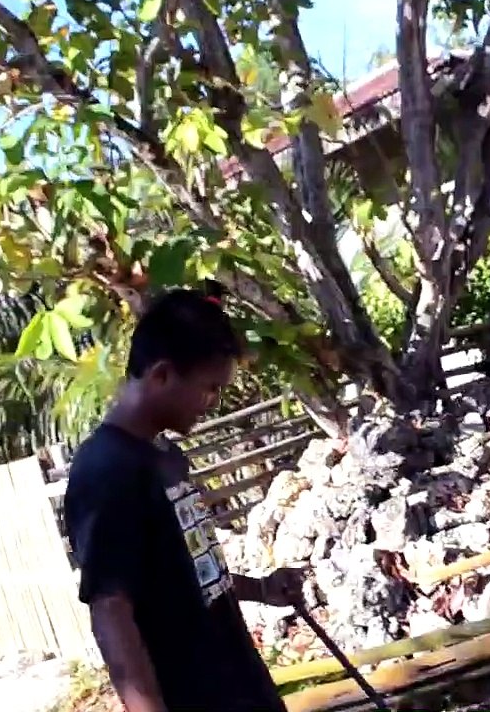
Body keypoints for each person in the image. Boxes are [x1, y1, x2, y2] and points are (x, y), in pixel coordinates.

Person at [64, 288, 295, 712]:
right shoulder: (105, 470)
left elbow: (189, 577)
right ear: (161, 375)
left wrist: (261, 588)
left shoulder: (167, 458)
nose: (213, 403)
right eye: (210, 388)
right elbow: (111, 610)